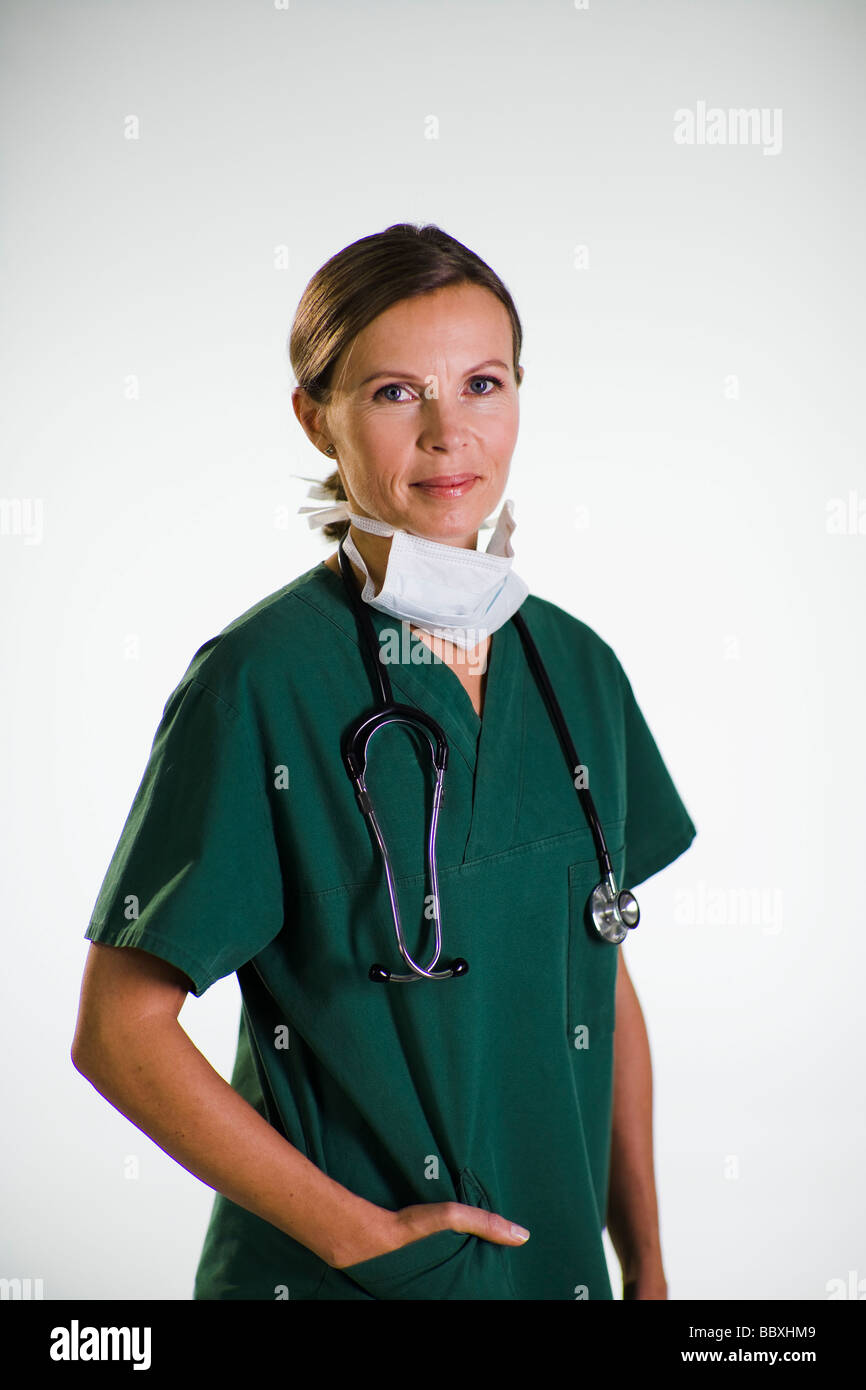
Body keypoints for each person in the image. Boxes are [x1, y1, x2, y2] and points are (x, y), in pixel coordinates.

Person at [71, 222, 697, 1301]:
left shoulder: (574, 666)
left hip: (553, 1275)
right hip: (346, 1283)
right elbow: (117, 1032)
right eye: (396, 393)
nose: (451, 433)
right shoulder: (261, 680)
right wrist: (353, 1235)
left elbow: (595, 967)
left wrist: (641, 1262)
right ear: (317, 415)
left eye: (483, 383)